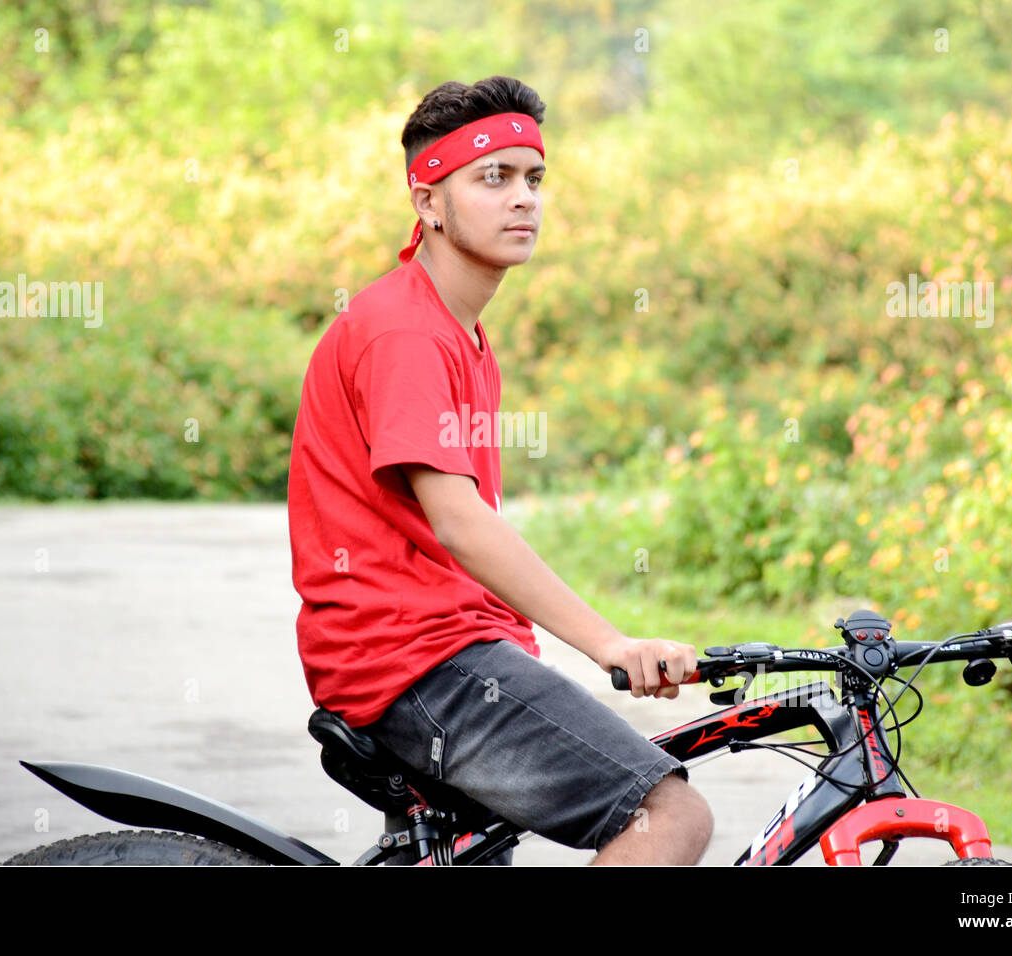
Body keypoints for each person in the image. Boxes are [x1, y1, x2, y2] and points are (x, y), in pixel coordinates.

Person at [286, 75, 713, 865]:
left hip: (439, 654)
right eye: (494, 178)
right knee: (671, 818)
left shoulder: (460, 335)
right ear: (428, 204)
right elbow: (459, 522)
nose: (524, 199)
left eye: (534, 178)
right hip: (418, 664)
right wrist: (609, 644)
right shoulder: (404, 333)